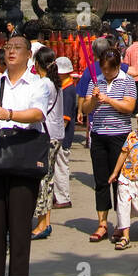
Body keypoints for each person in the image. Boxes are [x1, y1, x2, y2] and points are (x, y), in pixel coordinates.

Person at [0, 32, 47, 276]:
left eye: (17, 48)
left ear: (28, 55)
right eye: (8, 47)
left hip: (23, 157)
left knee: (19, 227)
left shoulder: (37, 84)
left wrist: (8, 114)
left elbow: (37, 114)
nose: (11, 51)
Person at [82, 46, 137, 243]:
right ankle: (102, 223)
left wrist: (109, 100)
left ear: (117, 67)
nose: (106, 73)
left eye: (109, 70)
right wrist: (95, 101)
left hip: (119, 136)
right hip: (98, 135)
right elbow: (85, 107)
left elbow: (129, 107)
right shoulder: (95, 82)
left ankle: (121, 223)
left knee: (120, 182)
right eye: (103, 69)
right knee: (101, 180)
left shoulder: (127, 81)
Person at [30, 45, 64, 241]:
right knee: (48, 178)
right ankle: (46, 221)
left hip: (46, 135)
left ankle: (42, 223)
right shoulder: (54, 82)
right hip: (55, 134)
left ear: (37, 64)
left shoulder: (44, 84)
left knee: (43, 179)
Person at [110, 107, 138, 247]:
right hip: (126, 177)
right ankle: (125, 237)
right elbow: (123, 153)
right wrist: (115, 173)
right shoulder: (131, 137)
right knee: (123, 205)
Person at [53, 57, 77, 208]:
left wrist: (58, 134)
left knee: (61, 166)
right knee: (58, 165)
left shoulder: (68, 90)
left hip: (63, 135)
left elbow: (65, 118)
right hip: (61, 133)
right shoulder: (65, 87)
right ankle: (59, 195)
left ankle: (63, 197)